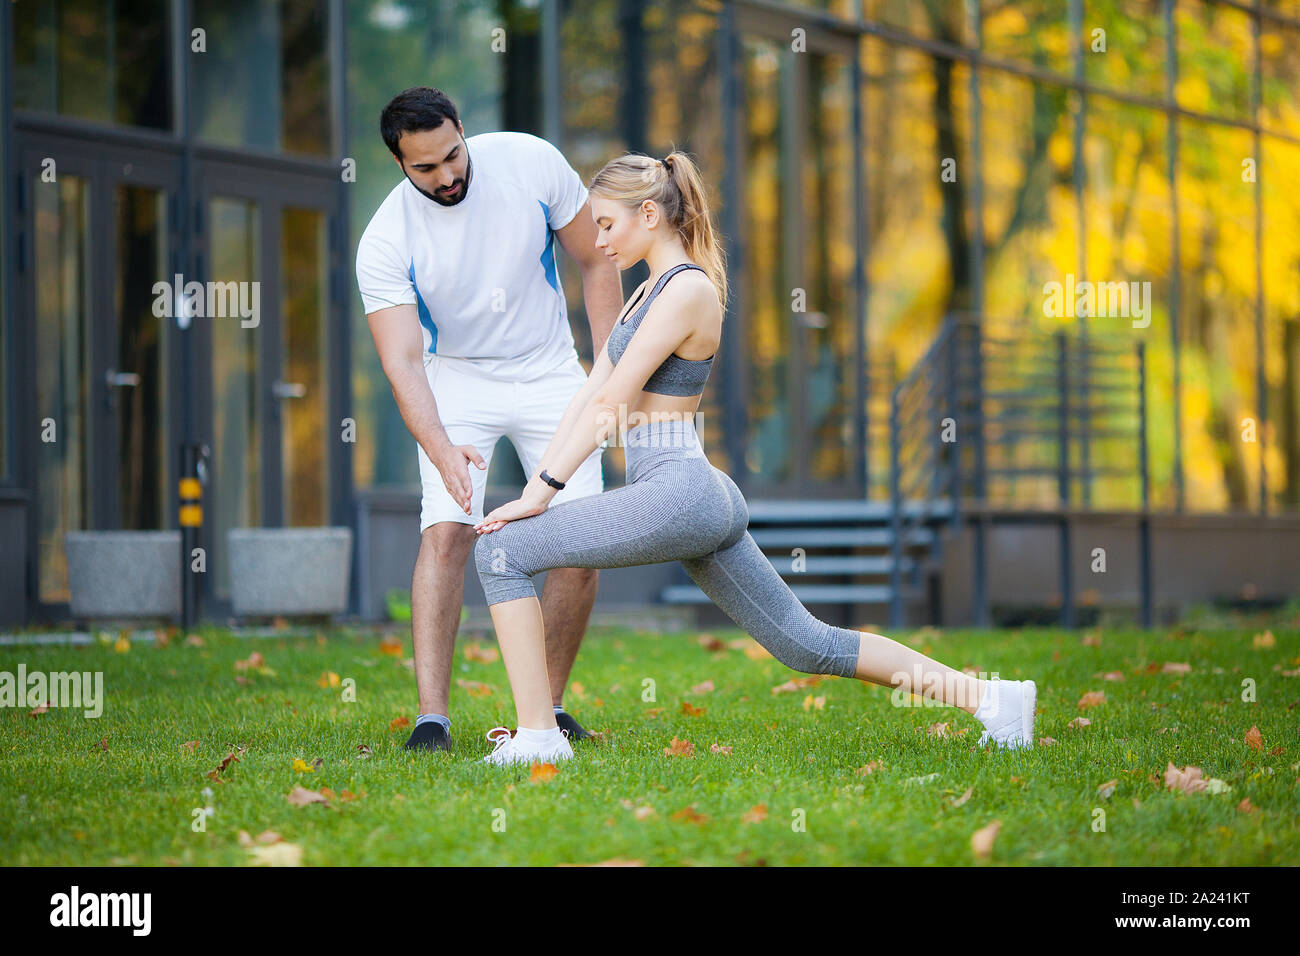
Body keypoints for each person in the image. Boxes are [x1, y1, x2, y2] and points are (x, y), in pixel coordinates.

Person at [471, 150, 1038, 767]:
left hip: (678, 492)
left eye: (608, 224)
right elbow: (589, 393)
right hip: (688, 492)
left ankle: (537, 737)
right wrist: (537, 487)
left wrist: (541, 494)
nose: (598, 240)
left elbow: (613, 400)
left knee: (501, 550)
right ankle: (993, 700)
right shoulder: (645, 296)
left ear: (651, 214)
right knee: (807, 645)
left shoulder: (687, 291)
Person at [355, 87, 624, 752]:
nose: (447, 176)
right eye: (426, 168)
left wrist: (610, 371)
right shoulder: (385, 240)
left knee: (579, 544)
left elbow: (595, 259)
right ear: (399, 163)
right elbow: (403, 363)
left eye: (452, 155)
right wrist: (442, 446)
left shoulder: (531, 163)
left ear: (463, 130)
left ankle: (547, 709)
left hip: (550, 368)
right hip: (457, 379)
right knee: (445, 534)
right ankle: (432, 719)